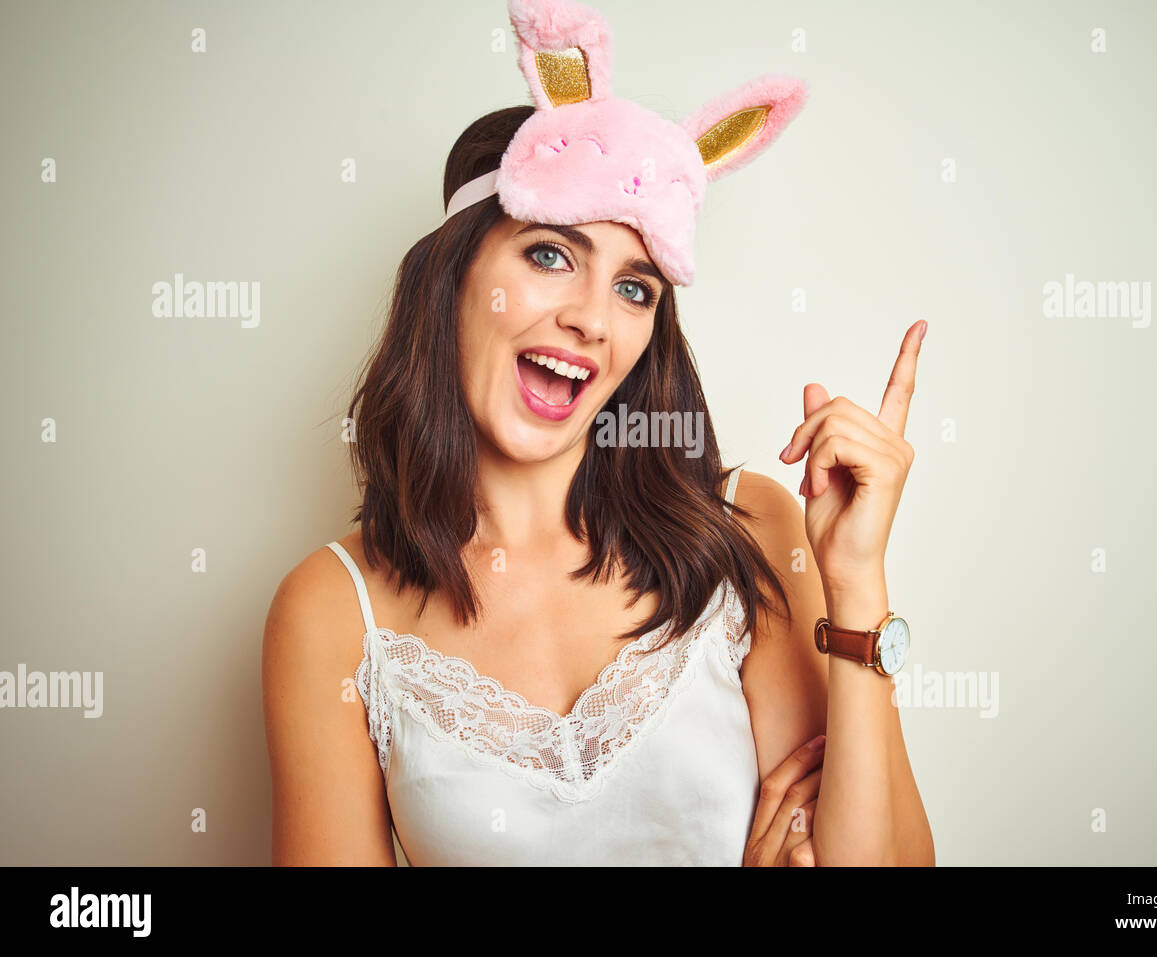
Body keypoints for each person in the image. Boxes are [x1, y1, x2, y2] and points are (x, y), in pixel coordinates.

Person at [262, 0, 933, 866]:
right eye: (549, 254)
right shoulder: (330, 611)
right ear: (453, 275)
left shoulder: (746, 531)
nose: (591, 319)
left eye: (635, 287)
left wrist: (856, 583)